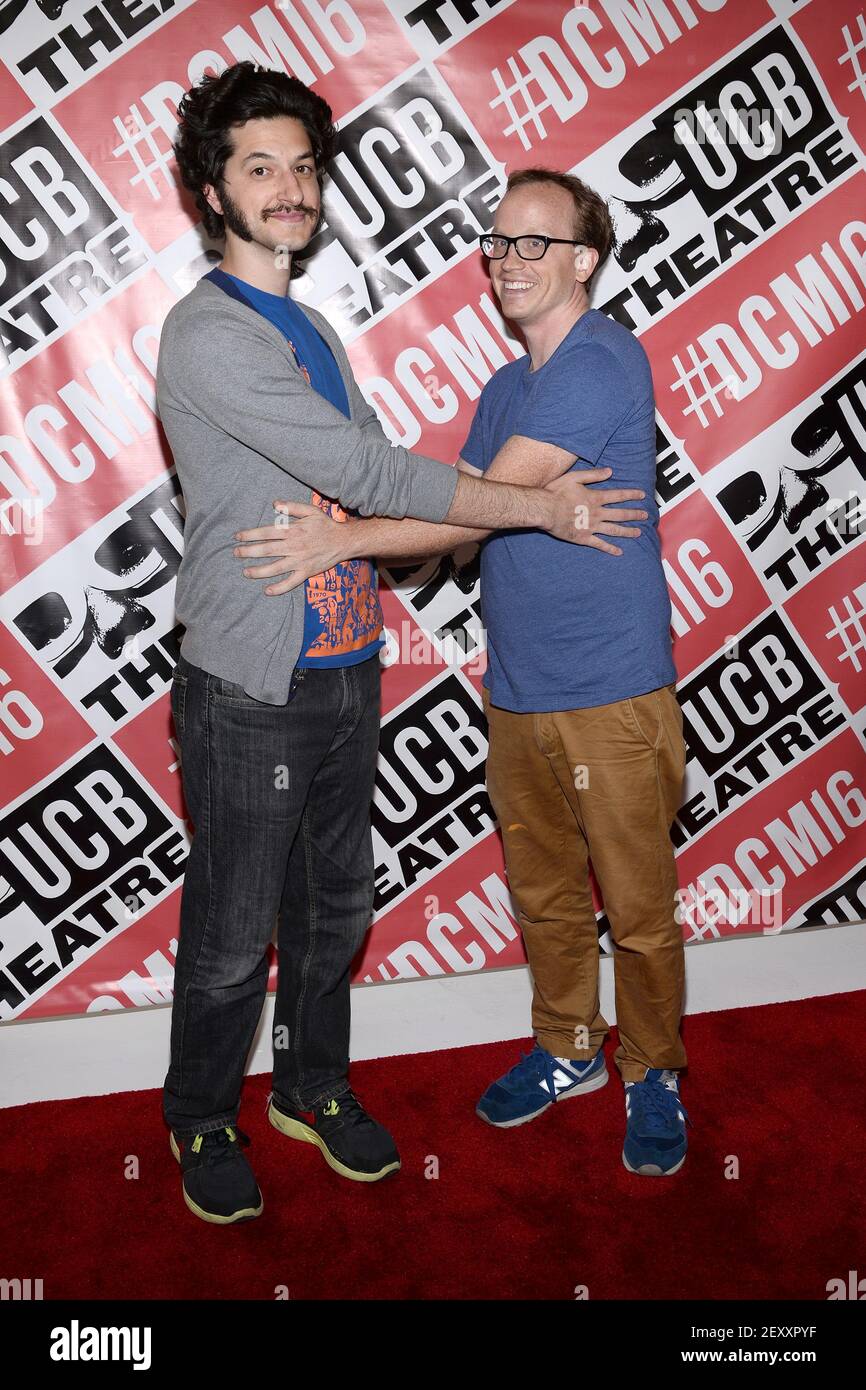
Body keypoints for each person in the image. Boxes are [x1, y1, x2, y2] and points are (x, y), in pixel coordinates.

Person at [156, 63, 649, 1225]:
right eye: (257, 168)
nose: (287, 188)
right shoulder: (206, 333)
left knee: (334, 907)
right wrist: (531, 504)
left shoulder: (312, 325)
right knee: (231, 932)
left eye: (301, 166)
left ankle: (312, 1088)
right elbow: (365, 474)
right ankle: (199, 1115)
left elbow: (368, 510)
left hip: (342, 668)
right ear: (212, 195)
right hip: (248, 680)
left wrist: (361, 539)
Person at [239, 167, 690, 1178]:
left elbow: (468, 506)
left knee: (638, 905)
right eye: (496, 241)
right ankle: (569, 1045)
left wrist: (336, 544)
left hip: (612, 689)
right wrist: (392, 525)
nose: (507, 260)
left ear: (581, 260)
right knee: (543, 894)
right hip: (517, 691)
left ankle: (653, 1069)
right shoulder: (501, 388)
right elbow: (461, 523)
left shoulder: (599, 360)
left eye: (533, 242)